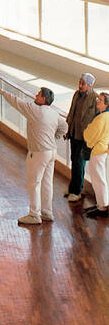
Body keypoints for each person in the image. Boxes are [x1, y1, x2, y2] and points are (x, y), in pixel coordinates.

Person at [0, 85, 66, 225]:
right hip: (51, 152)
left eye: (38, 95)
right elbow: (64, 126)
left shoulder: (34, 110)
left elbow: (16, 101)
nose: (35, 96)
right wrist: (55, 136)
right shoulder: (54, 113)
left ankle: (34, 215)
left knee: (34, 183)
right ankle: (47, 212)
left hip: (38, 152)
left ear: (43, 99)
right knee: (47, 182)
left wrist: (1, 91)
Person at [64, 71, 97, 203]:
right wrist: (67, 128)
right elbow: (72, 111)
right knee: (74, 161)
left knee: (79, 163)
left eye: (83, 83)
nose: (80, 85)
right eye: (80, 82)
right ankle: (73, 189)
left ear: (89, 85)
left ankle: (77, 191)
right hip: (74, 133)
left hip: (85, 137)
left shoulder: (94, 98)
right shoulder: (77, 94)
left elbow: (96, 117)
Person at [83, 90, 109, 219]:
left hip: (97, 151)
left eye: (100, 100)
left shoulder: (101, 118)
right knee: (99, 178)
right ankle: (101, 204)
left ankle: (102, 207)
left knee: (98, 179)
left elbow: (89, 135)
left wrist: (87, 131)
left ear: (106, 104)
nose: (97, 101)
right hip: (102, 150)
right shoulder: (105, 116)